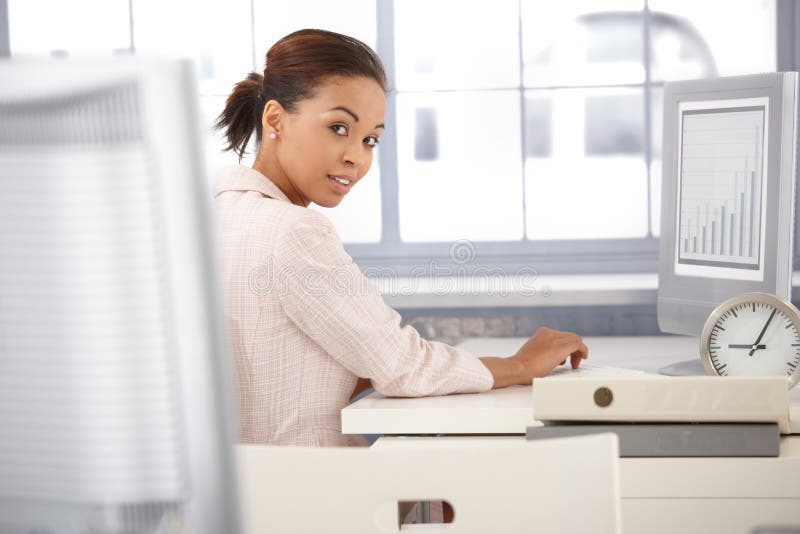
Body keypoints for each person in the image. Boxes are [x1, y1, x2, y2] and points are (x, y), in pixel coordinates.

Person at [213, 28, 588, 449]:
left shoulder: (213, 215)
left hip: (251, 497)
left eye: (370, 138)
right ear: (276, 120)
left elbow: (277, 366)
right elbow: (401, 366)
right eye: (339, 127)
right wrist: (520, 365)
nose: (357, 156)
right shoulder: (294, 231)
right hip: (313, 492)